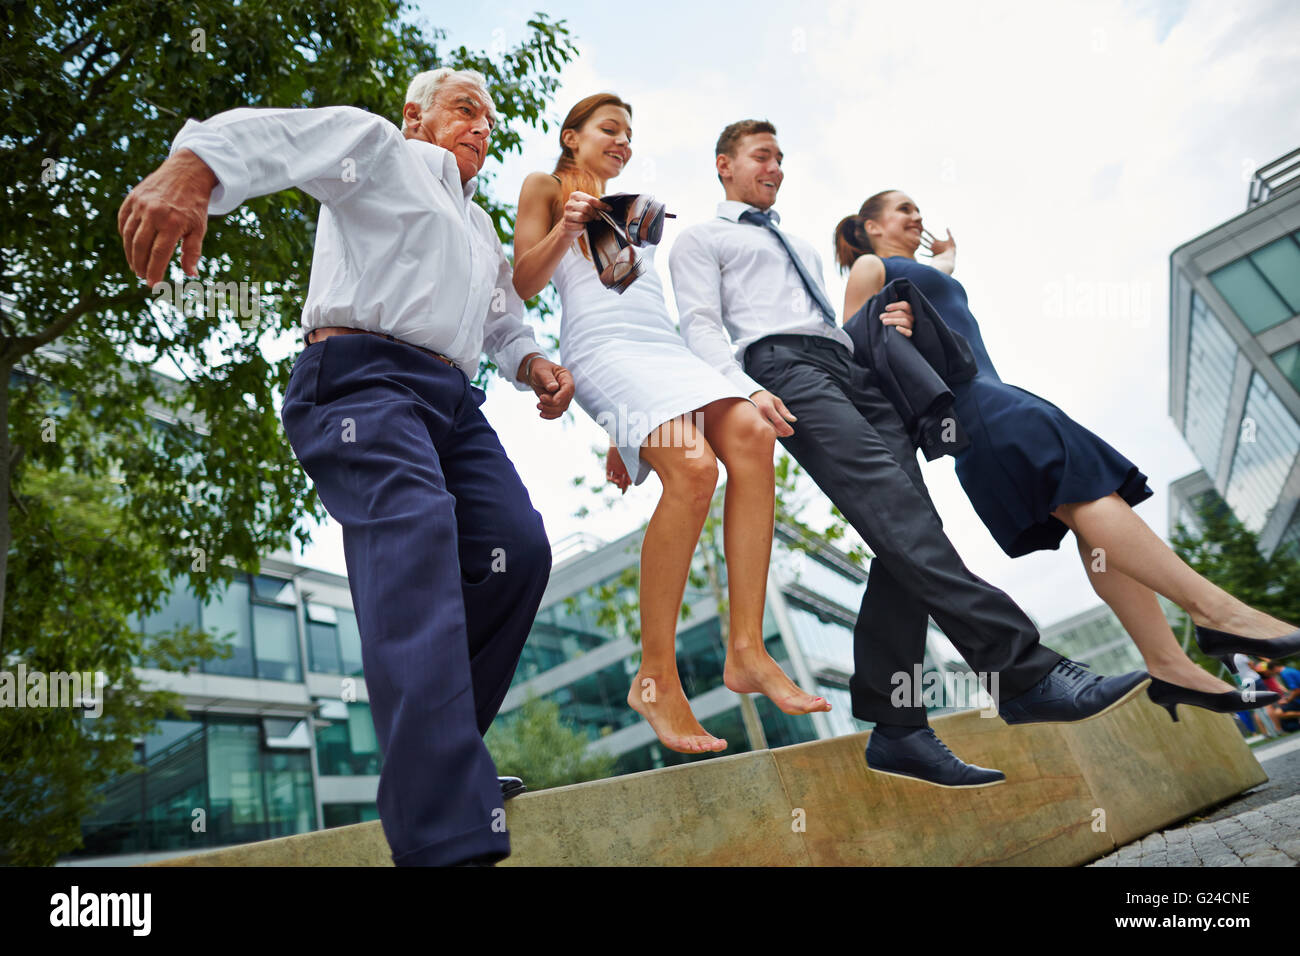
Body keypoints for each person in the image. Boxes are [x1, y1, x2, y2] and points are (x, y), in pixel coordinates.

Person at [118, 69, 574, 866]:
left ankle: (438, 764)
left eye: (492, 122)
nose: (482, 128)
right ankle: (444, 833)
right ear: (417, 115)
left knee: (517, 551)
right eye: (466, 109)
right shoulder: (381, 149)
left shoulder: (476, 229)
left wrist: (532, 362)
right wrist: (193, 168)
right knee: (417, 531)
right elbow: (287, 138)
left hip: (452, 403)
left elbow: (502, 316)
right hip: (361, 377)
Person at [668, 119, 1149, 789]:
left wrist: (885, 324)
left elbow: (832, 324)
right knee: (902, 517)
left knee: (909, 535)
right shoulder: (701, 238)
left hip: (852, 371)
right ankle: (1024, 672)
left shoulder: (801, 244)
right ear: (724, 164)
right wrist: (744, 389)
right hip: (782, 370)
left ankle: (897, 729)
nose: (775, 167)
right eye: (761, 156)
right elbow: (699, 325)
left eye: (781, 157)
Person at [835, 189, 1299, 722]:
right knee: (1088, 496)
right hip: (976, 404)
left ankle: (1168, 664)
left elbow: (939, 272)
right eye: (904, 209)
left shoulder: (918, 267)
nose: (917, 215)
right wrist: (888, 325)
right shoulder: (870, 265)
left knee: (1089, 513)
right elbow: (852, 349)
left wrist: (947, 257)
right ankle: (1217, 612)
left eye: (918, 208)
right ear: (870, 226)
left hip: (993, 401)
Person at [511, 94, 830, 755]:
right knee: (692, 470)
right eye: (609, 130)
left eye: (629, 133)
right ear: (572, 137)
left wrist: (622, 431)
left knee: (751, 433)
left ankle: (745, 648)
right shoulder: (548, 187)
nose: (623, 141)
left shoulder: (636, 205)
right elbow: (523, 282)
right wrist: (567, 227)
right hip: (601, 349)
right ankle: (654, 676)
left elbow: (628, 287)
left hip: (662, 348)